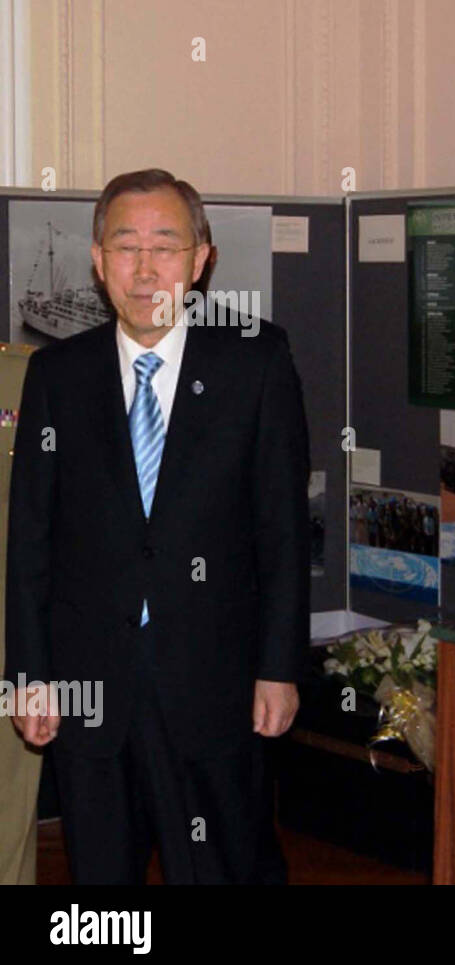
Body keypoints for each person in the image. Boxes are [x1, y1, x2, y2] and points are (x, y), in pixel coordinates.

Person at [5, 168, 310, 883]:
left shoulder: (256, 361)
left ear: (201, 260)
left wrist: (279, 667)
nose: (145, 269)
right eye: (125, 246)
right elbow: (30, 542)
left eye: (165, 247)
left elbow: (282, 531)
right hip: (91, 691)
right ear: (97, 258)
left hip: (218, 688)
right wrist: (29, 675)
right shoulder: (56, 375)